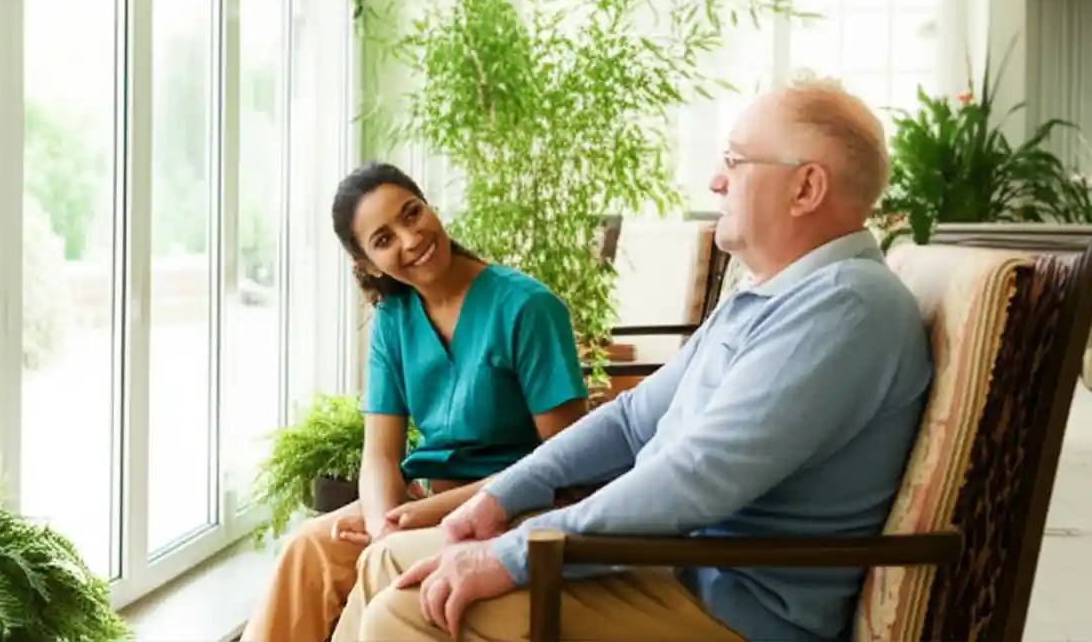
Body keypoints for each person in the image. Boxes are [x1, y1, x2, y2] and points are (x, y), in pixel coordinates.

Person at [331, 80, 935, 642]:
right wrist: (501, 498)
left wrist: (512, 553)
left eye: (735, 160)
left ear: (805, 188)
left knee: (409, 609)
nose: (716, 181)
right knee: (386, 558)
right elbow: (629, 420)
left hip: (730, 603)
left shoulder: (844, 309)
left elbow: (694, 479)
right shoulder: (768, 293)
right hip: (673, 566)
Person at [240, 162, 588, 642]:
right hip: (420, 502)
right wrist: (385, 527)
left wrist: (424, 518)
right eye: (383, 239)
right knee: (309, 549)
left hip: (512, 509)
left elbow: (568, 464)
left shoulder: (527, 308)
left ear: (429, 206)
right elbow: (380, 454)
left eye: (411, 214)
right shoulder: (394, 318)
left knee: (382, 578)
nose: (410, 238)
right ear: (366, 264)